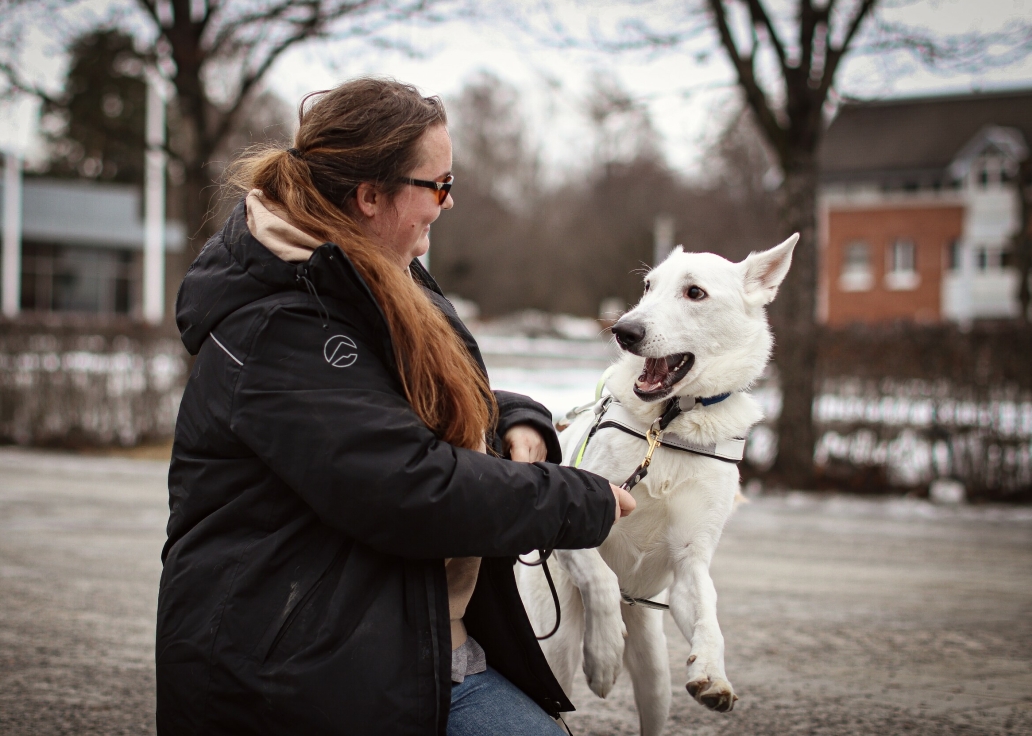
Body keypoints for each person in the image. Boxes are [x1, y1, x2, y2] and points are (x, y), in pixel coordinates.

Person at [155, 78, 636, 736]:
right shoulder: (281, 323)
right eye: (436, 185)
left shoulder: (374, 267)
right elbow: (407, 486)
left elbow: (400, 406)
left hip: (412, 643)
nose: (449, 201)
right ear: (370, 195)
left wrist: (512, 419)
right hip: (300, 676)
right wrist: (576, 500)